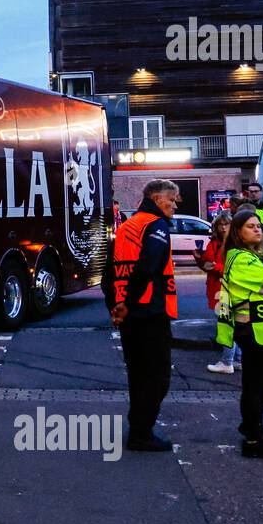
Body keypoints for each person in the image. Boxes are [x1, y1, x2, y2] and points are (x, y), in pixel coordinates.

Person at [102, 179, 179, 452]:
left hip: (130, 315)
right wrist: (129, 304)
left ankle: (138, 429)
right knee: (157, 377)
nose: (175, 204)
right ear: (157, 199)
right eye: (172, 199)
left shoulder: (126, 226)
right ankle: (141, 433)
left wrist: (116, 305)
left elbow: (108, 274)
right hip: (149, 312)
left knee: (137, 375)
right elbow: (148, 266)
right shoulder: (155, 225)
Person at [217, 208, 263, 459]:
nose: (257, 229)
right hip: (253, 330)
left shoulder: (260, 256)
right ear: (238, 232)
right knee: (255, 384)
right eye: (250, 226)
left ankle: (252, 424)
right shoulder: (239, 258)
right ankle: (253, 437)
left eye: (258, 225)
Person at [193, 211, 240, 373]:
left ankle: (227, 361)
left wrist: (214, 266)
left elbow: (233, 269)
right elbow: (207, 265)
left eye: (226, 224)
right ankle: (237, 359)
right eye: (221, 224)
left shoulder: (234, 244)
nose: (223, 227)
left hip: (226, 290)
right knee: (230, 326)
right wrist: (199, 259)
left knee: (226, 327)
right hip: (217, 288)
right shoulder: (214, 242)